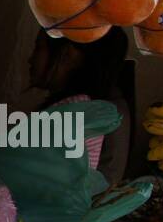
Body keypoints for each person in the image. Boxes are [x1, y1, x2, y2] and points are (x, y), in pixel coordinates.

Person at [26, 26, 135, 185]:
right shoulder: (100, 107)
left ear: (69, 55)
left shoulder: (82, 115)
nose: (31, 59)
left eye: (38, 47)